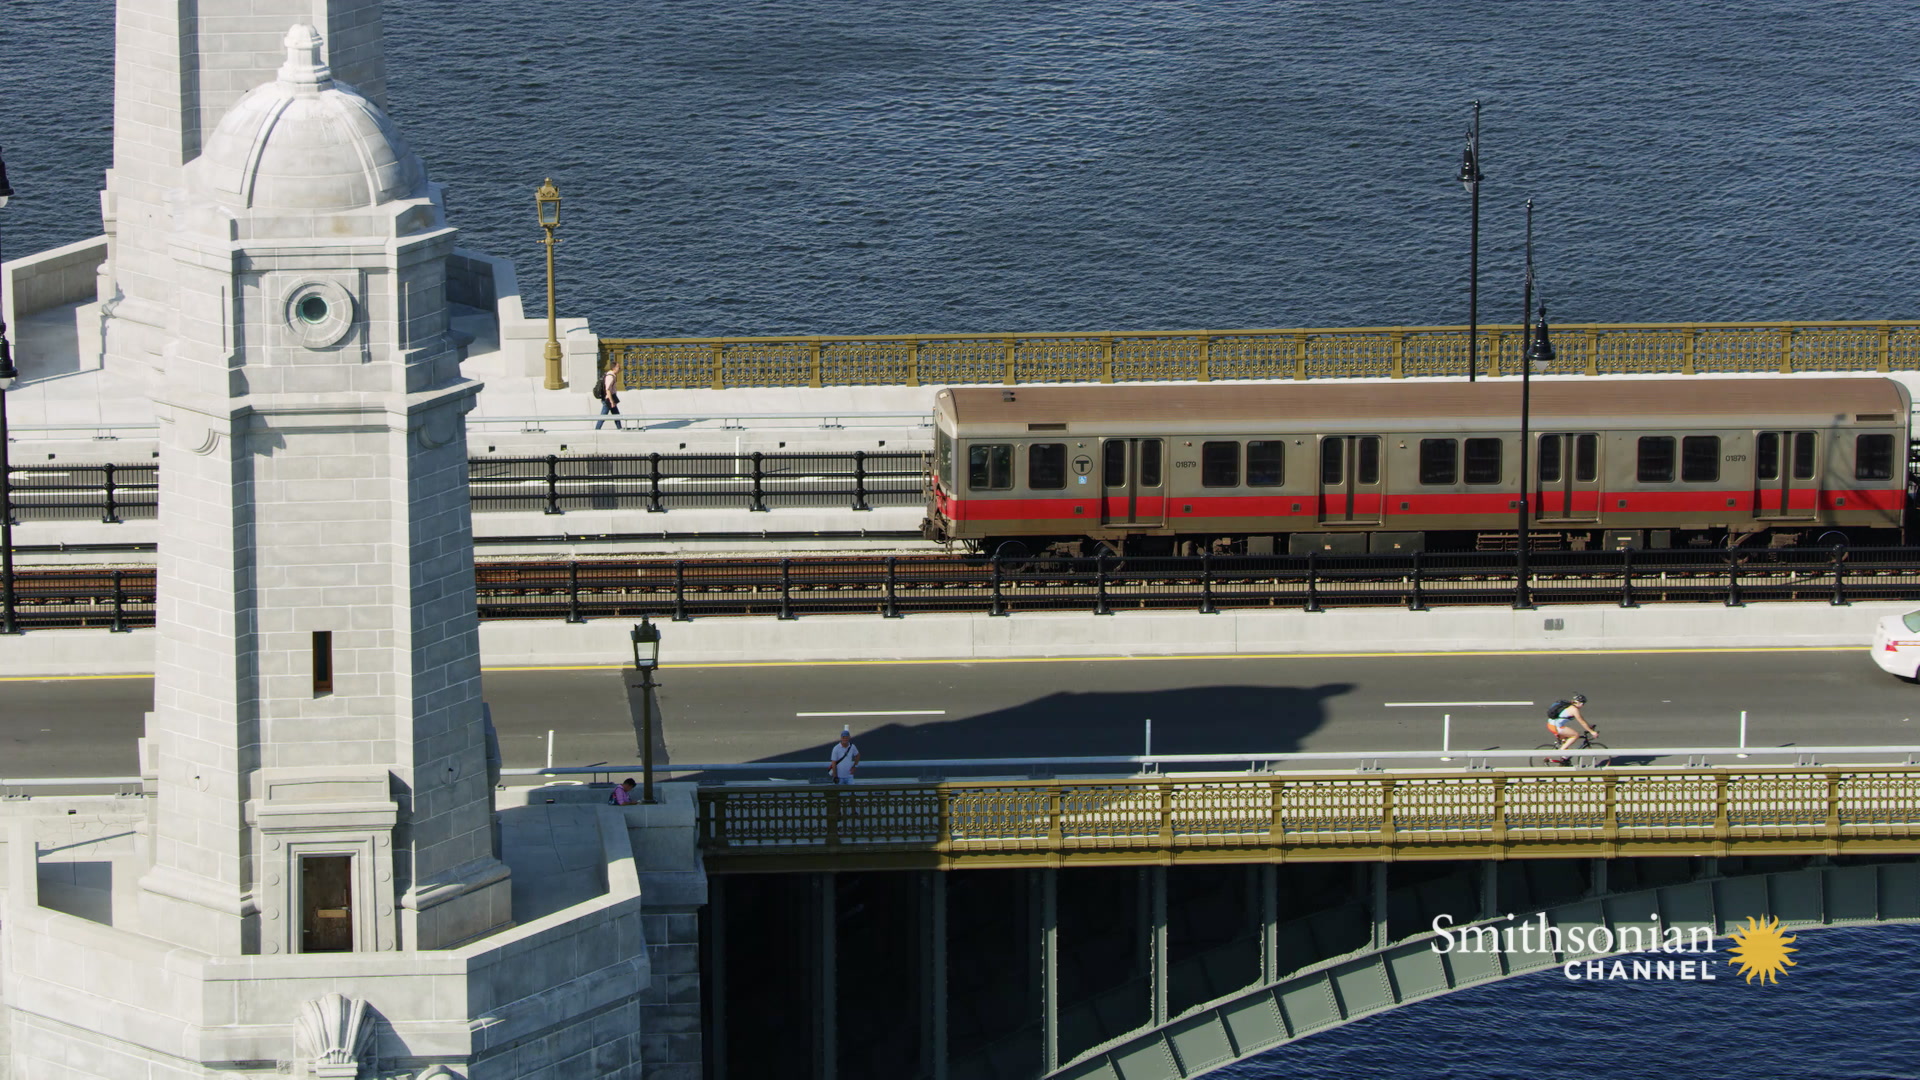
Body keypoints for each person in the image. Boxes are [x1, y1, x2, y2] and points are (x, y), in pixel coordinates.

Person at [1545, 694, 1597, 760]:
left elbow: (1583, 720)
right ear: (1580, 703)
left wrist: (1589, 726)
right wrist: (1592, 732)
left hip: (1551, 724)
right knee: (1575, 735)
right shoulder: (1574, 710)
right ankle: (1561, 751)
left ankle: (1564, 760)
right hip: (1556, 727)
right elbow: (1582, 722)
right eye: (1583, 704)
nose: (1583, 705)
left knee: (1566, 741)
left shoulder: (1569, 705)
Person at [595, 361, 624, 430]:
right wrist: (611, 401)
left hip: (610, 399)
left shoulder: (611, 375)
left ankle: (619, 428)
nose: (619, 368)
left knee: (616, 415)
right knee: (603, 416)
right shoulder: (610, 377)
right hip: (608, 399)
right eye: (618, 367)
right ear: (614, 368)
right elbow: (608, 390)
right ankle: (597, 429)